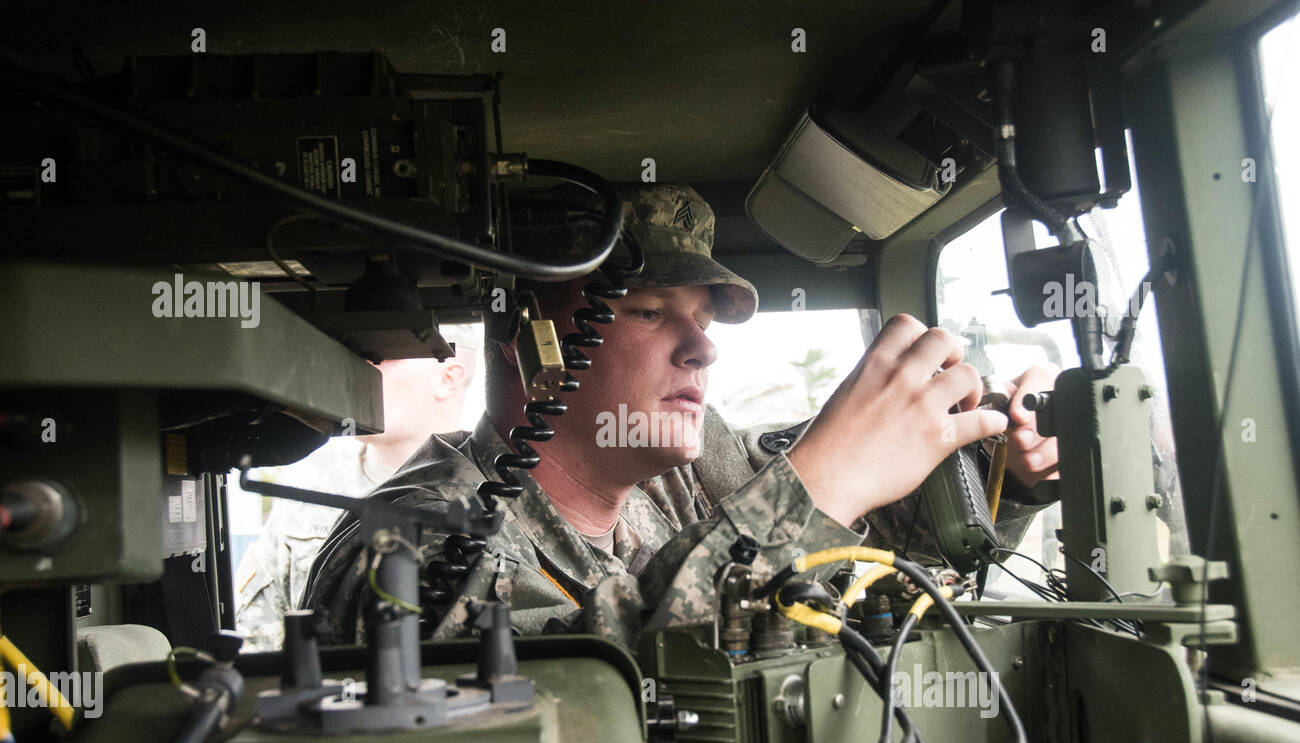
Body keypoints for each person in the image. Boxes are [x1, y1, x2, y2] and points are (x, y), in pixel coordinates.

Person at [303, 183, 1059, 650]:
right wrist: (813, 492)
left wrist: (1008, 468)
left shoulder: (687, 475)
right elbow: (579, 715)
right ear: (526, 339)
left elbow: (869, 540)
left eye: (701, 319)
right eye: (648, 312)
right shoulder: (410, 544)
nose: (702, 349)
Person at [236, 332, 479, 651]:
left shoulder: (498, 497)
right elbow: (257, 653)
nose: (355, 369)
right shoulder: (301, 506)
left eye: (379, 358)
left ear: (448, 378)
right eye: (354, 355)